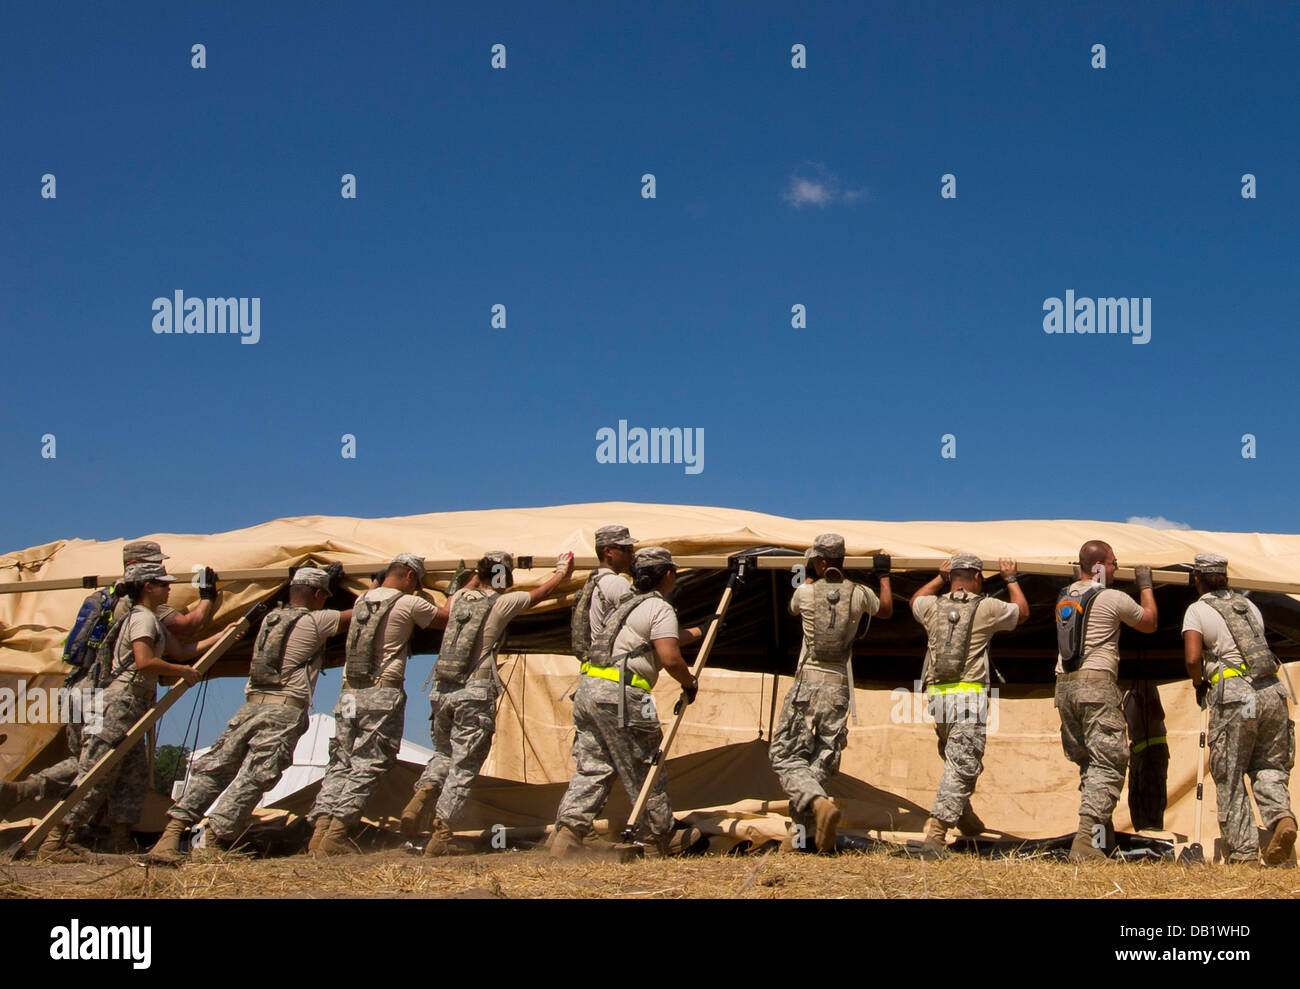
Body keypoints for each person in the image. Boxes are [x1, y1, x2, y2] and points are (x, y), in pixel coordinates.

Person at [148, 566, 353, 859]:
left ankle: (171, 835)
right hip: (283, 710)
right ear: (319, 595)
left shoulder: (270, 618)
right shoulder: (318, 620)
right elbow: (362, 612)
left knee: (215, 768)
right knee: (256, 776)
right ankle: (213, 840)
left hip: (250, 706)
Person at [0, 541, 219, 815]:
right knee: (96, 763)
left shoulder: (104, 597)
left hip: (77, 690)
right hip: (104, 694)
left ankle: (87, 820)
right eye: (158, 570)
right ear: (142, 573)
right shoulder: (139, 605)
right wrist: (208, 595)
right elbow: (188, 627)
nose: (164, 574)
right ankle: (36, 800)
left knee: (96, 758)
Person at [36, 562, 234, 859]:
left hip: (135, 705)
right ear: (147, 588)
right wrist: (182, 672)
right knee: (96, 774)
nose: (169, 588)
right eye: (164, 584)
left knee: (132, 776)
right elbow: (145, 662)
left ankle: (120, 839)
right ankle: (56, 842)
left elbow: (182, 650)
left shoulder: (151, 619)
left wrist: (223, 635)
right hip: (119, 704)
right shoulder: (142, 619)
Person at [412, 550, 575, 856]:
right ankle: (442, 833)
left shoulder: (459, 597)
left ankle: (425, 788)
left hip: (442, 691)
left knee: (444, 752)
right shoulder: (503, 603)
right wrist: (561, 573)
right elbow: (541, 593)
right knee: (465, 763)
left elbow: (469, 587)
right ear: (504, 577)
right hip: (475, 692)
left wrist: (477, 571)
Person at [550, 547, 707, 859]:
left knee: (593, 767)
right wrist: (689, 683)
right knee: (647, 766)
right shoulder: (659, 608)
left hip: (590, 690)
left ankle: (567, 835)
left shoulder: (622, 607)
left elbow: (648, 642)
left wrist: (702, 629)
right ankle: (658, 839)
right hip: (626, 696)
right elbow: (669, 656)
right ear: (668, 575)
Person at [310, 553, 447, 855]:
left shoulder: (362, 600)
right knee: (370, 762)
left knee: (341, 759)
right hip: (380, 693)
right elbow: (445, 618)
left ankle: (320, 831)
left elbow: (375, 588)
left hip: (347, 695)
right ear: (410, 576)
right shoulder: (409, 603)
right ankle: (337, 833)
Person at [768, 533, 892, 852]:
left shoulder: (806, 593)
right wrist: (883, 577)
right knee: (820, 759)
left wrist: (810, 576)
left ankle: (816, 803)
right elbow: (886, 611)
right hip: (838, 686)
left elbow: (794, 607)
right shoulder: (860, 593)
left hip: (807, 682)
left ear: (821, 562)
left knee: (785, 753)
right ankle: (802, 838)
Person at [1183, 553, 1296, 866]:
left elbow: (1193, 658)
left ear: (1197, 580)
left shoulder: (1197, 610)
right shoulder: (1249, 607)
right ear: (1226, 578)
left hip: (1235, 697)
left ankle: (1243, 854)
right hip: (1272, 692)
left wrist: (1198, 684)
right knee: (1269, 766)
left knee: (1231, 775)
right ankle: (1280, 819)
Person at [911, 554, 1028, 852]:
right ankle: (936, 835)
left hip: (937, 697)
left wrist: (939, 577)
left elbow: (915, 599)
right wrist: (1010, 578)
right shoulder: (987, 607)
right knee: (963, 764)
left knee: (955, 757)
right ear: (977, 577)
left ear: (952, 576)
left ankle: (967, 820)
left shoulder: (932, 605)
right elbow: (1022, 612)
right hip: (969, 697)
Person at [1055, 540, 1157, 861]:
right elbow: (1150, 622)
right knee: (1110, 762)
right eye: (1113, 562)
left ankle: (1101, 841)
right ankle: (1085, 844)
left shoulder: (1065, 596)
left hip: (1065, 688)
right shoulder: (1111, 597)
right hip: (1096, 687)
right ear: (1099, 566)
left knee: (1091, 765)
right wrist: (1145, 585)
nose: (1115, 568)